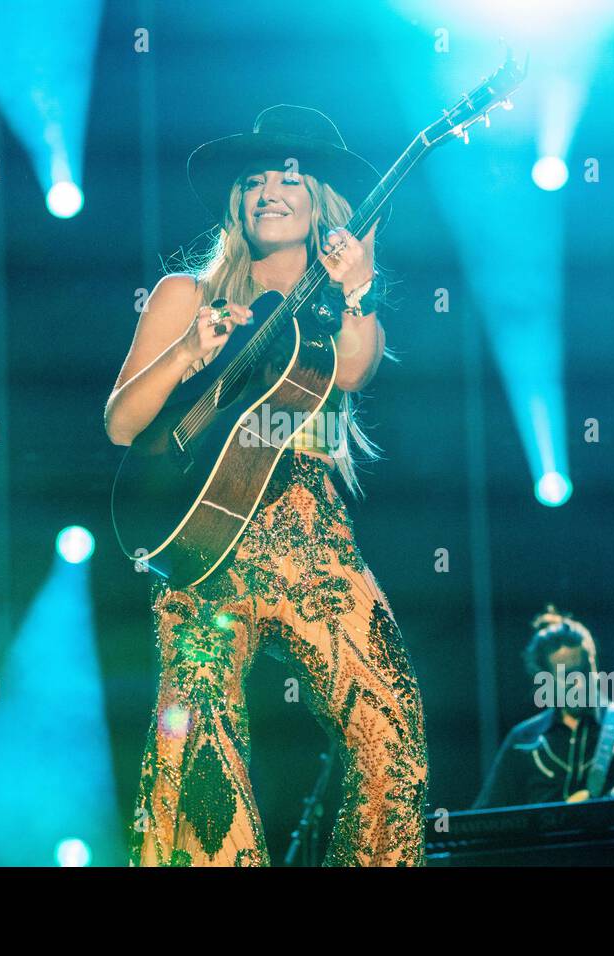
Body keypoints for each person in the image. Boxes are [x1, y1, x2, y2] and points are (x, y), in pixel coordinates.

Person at [105, 104, 428, 866]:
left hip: (310, 536)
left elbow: (354, 370)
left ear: (320, 202)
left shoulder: (343, 306)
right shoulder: (186, 295)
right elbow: (122, 424)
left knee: (393, 733)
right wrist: (188, 353)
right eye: (253, 181)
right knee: (199, 767)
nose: (268, 191)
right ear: (236, 202)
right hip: (199, 552)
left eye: (289, 178)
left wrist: (359, 291)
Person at [473, 606, 614, 808]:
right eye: (568, 676)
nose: (580, 684)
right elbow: (486, 817)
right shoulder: (523, 740)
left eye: (585, 671)